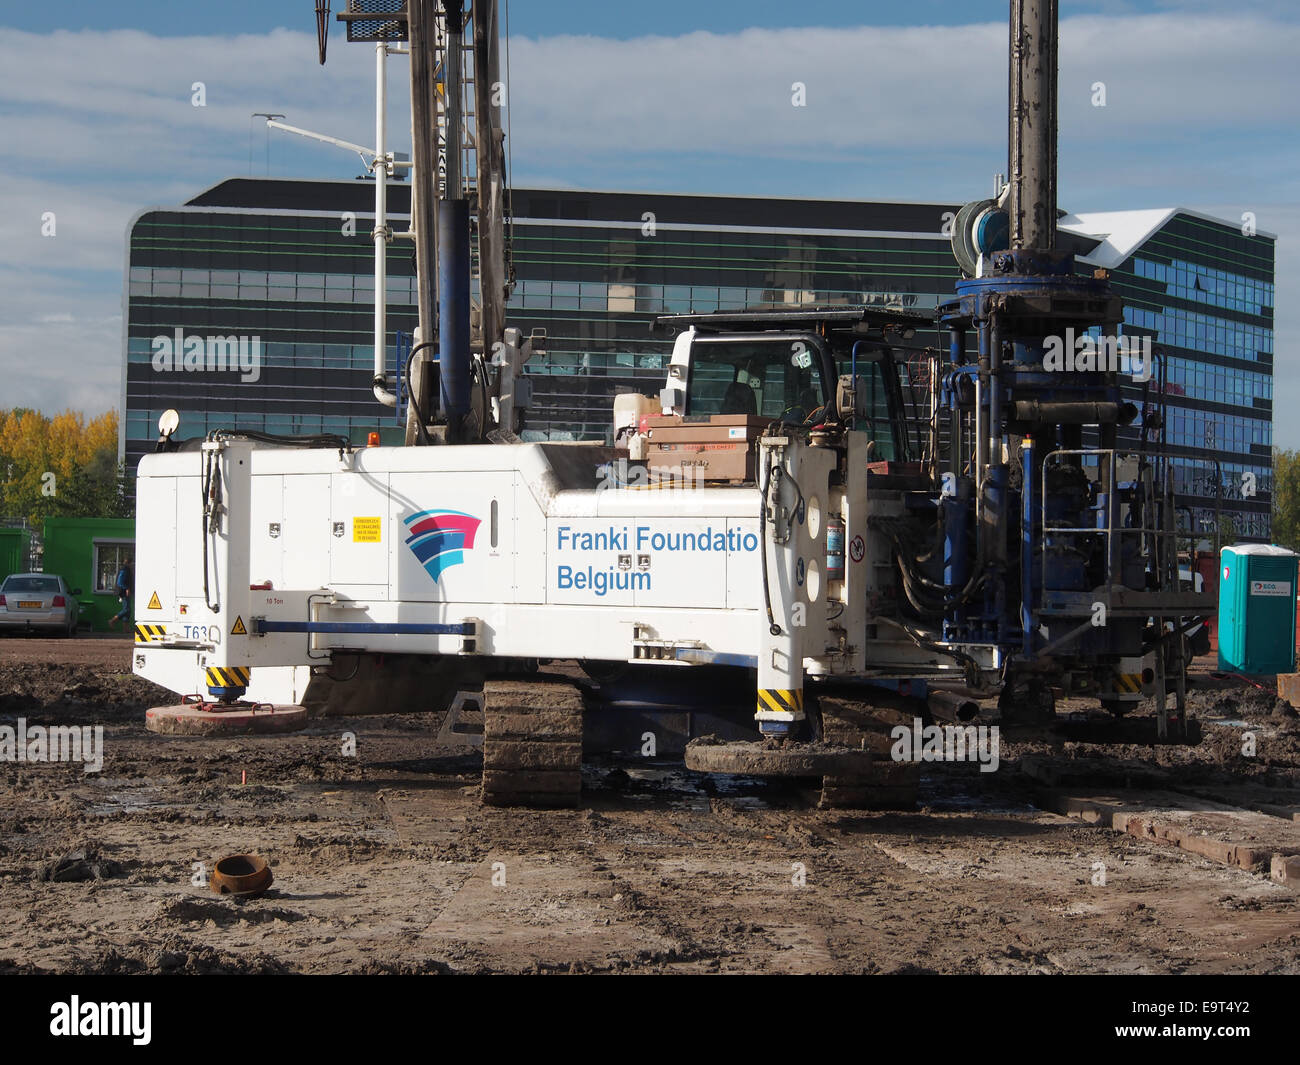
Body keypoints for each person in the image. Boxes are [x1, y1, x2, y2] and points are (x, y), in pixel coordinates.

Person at [108, 558, 133, 630]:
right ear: (129, 563)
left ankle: (126, 629)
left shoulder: (126, 569)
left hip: (125, 591)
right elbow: (120, 582)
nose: (132, 565)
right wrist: (127, 588)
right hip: (123, 592)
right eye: (131, 563)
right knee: (126, 609)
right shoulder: (124, 570)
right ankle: (112, 620)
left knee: (128, 610)